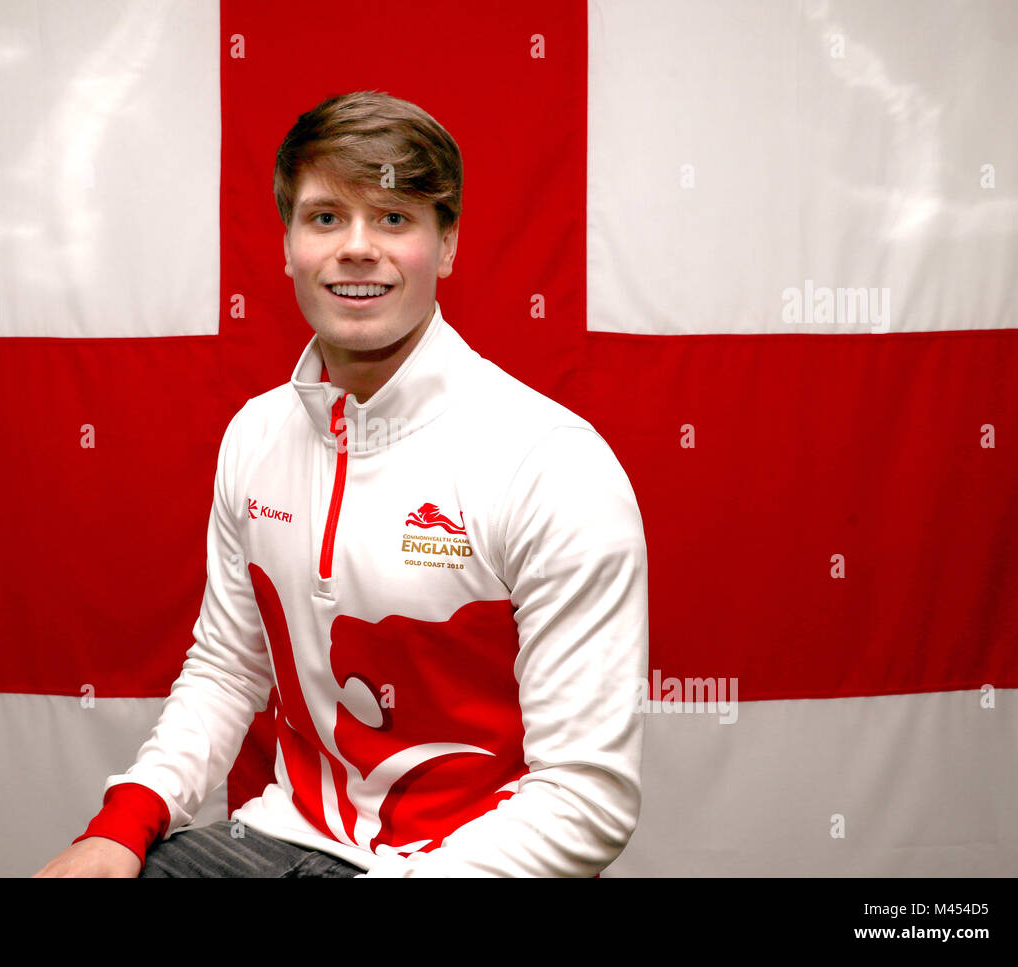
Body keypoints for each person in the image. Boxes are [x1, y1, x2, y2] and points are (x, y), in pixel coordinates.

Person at [33, 90, 648, 878]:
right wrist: (121, 825)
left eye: (394, 218)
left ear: (448, 244)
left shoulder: (552, 463)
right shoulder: (256, 435)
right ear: (288, 244)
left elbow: (585, 797)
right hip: (278, 841)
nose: (358, 248)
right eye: (326, 218)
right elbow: (227, 667)